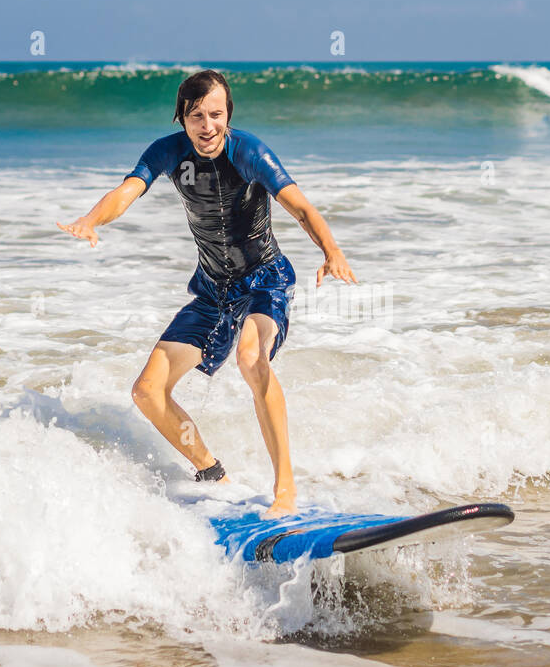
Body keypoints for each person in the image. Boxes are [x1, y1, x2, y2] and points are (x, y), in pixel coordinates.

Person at [57, 70, 356, 516]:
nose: (207, 125)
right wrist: (91, 220)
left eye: (216, 114)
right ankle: (213, 474)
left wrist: (331, 251)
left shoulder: (249, 151)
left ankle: (285, 491)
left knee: (252, 359)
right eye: (196, 116)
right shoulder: (168, 152)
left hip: (263, 281)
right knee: (147, 391)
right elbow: (126, 192)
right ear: (183, 118)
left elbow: (300, 207)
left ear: (228, 115)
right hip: (214, 290)